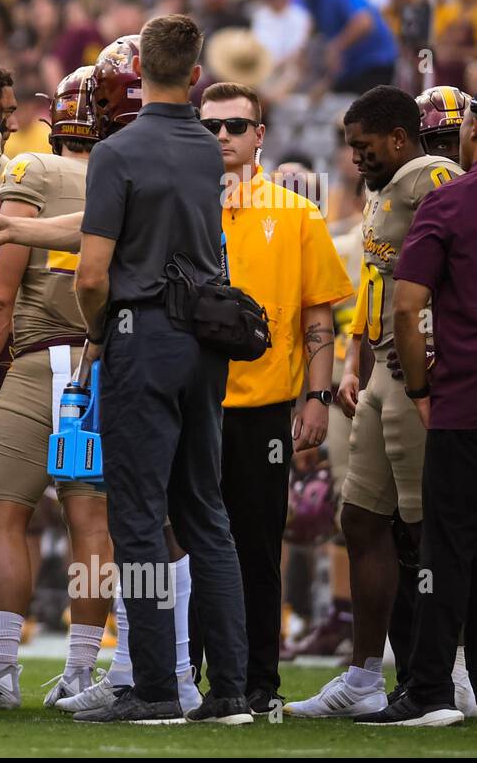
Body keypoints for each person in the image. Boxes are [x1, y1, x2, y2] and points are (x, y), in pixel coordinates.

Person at [73, 14, 250, 725]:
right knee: (205, 513)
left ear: (137, 67)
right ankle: (231, 691)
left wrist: (96, 330)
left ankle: (152, 691)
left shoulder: (117, 150)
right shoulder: (212, 152)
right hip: (205, 340)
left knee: (140, 520)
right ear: (196, 76)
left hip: (140, 335)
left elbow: (92, 271)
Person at [287, 86, 462, 719]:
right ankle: (364, 677)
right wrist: (359, 362)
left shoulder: (431, 176)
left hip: (419, 367)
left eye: (364, 146)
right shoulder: (385, 187)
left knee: (427, 531)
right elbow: (376, 284)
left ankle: (452, 675)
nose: (355, 158)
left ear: (398, 136)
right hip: (384, 367)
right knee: (361, 519)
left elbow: (458, 266)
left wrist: (436, 352)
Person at [192, 81, 352, 714]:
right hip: (191, 401)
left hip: (261, 408)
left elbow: (319, 317)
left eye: (235, 126)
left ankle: (260, 683)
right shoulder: (183, 207)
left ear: (260, 135)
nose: (223, 137)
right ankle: (186, 675)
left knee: (257, 546)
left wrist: (316, 397)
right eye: (210, 127)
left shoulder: (297, 213)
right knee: (190, 545)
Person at [0, 66, 110, 710]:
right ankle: (83, 672)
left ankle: (1, 672)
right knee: (92, 521)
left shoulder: (33, 170)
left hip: (36, 360)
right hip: (102, 364)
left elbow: (1, 291)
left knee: (4, 516)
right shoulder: (127, 178)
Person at [359, 96, 476, 726]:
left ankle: (434, 685)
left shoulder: (446, 197)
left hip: (458, 403)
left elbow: (407, 309)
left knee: (446, 545)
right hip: (442, 392)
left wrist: (426, 388)